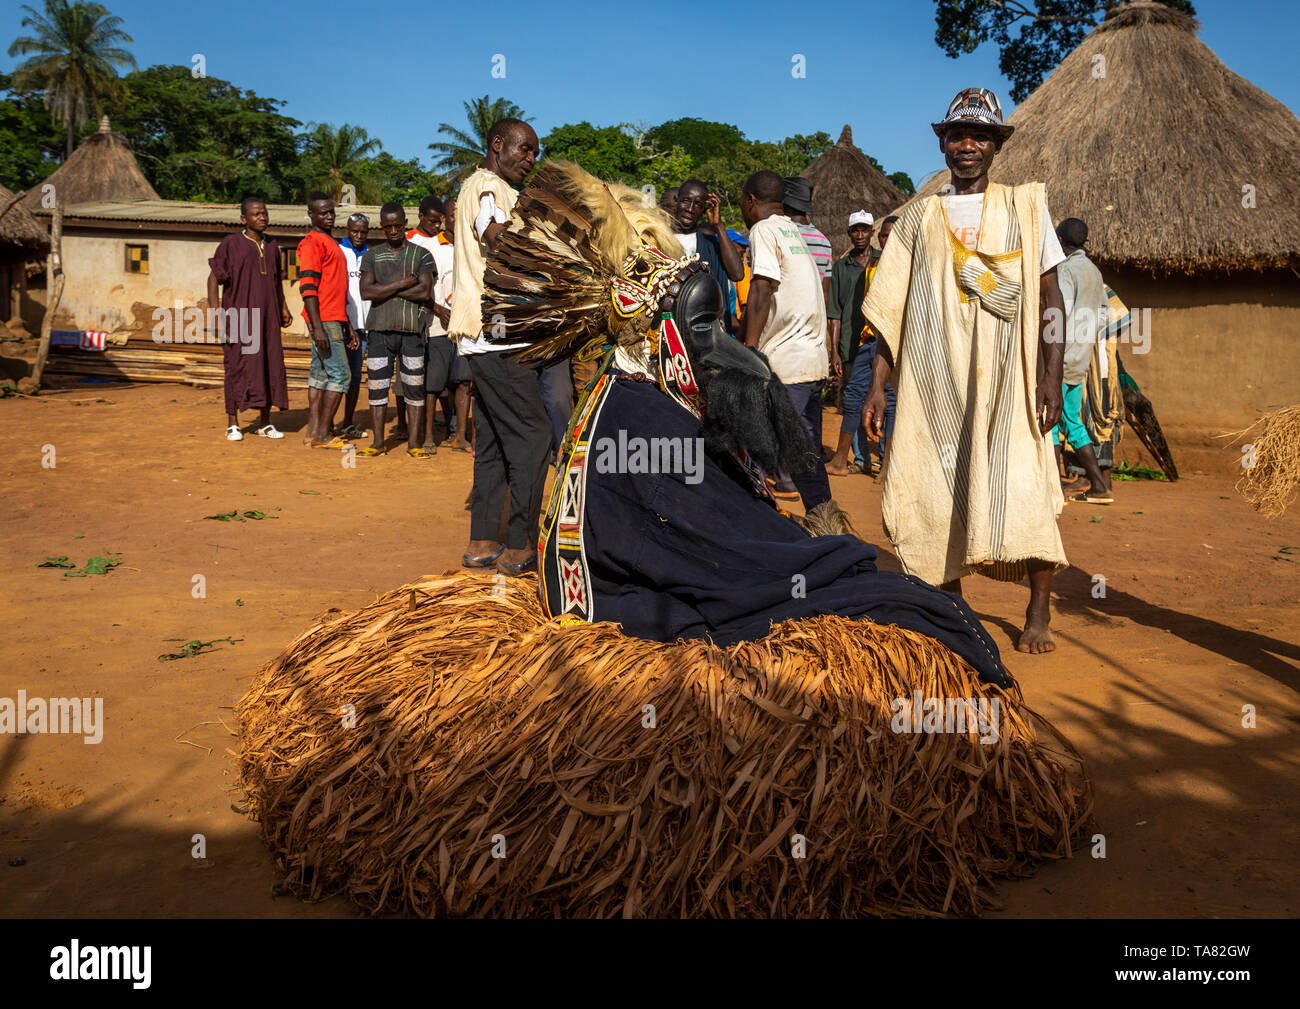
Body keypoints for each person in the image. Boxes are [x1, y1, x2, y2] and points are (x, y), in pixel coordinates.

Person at [478, 158, 1010, 685]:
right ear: (657, 326)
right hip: (626, 600)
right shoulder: (640, 416)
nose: (719, 343)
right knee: (870, 585)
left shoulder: (633, 392)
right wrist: (814, 554)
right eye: (703, 324)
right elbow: (719, 549)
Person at [862, 87, 1068, 654]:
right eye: (957, 135)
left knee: (1023, 486)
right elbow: (891, 312)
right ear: (943, 143)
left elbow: (1052, 298)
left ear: (997, 145)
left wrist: (1050, 377)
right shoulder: (915, 220)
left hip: (1009, 381)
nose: (967, 145)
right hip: (933, 384)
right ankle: (953, 609)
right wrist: (877, 387)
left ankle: (1038, 611)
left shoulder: (1025, 208)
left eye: (980, 135)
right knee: (934, 490)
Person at [451, 118, 551, 577]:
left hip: (486, 337)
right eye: (524, 149)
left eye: (535, 152)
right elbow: (495, 236)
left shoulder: (491, 186)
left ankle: (483, 541)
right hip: (501, 335)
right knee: (534, 436)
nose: (530, 159)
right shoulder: (486, 186)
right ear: (497, 145)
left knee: (492, 438)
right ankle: (520, 547)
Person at [737, 169, 832, 513]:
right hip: (812, 363)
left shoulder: (762, 230)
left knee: (754, 449)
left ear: (750, 202)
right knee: (805, 455)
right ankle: (826, 523)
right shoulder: (794, 231)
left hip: (787, 363)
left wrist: (746, 353)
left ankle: (754, 528)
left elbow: (761, 288)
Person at [206, 196, 292, 441]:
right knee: (236, 366)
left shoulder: (273, 245)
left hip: (268, 320)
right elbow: (213, 279)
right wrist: (216, 314)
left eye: (264, 213)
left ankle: (265, 423)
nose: (262, 217)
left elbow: (276, 282)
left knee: (269, 366)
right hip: (240, 318)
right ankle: (233, 423)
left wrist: (283, 308)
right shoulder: (231, 244)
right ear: (244, 219)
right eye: (256, 214)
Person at [358, 202, 435, 459]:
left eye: (397, 225)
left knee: (414, 389)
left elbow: (425, 291)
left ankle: (414, 444)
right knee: (377, 388)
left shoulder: (422, 254)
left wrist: (385, 290)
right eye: (387, 226)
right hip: (379, 330)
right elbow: (366, 292)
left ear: (405, 223)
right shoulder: (372, 255)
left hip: (412, 330)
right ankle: (378, 443)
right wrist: (403, 284)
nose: (393, 230)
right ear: (382, 226)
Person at [827, 213, 897, 476]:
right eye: (854, 230)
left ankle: (884, 463)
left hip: (886, 341)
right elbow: (837, 310)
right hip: (864, 341)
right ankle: (854, 459)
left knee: (886, 397)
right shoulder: (862, 268)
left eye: (864, 230)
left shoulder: (898, 265)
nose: (859, 235)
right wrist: (835, 350)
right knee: (856, 395)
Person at [1052, 217, 1113, 503]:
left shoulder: (1065, 269)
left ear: (1061, 242)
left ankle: (1050, 489)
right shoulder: (1093, 270)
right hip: (1081, 359)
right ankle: (1099, 487)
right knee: (1072, 421)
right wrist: (1084, 335)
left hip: (1061, 359)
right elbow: (1104, 314)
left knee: (1050, 421)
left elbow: (1057, 312)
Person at [413, 197, 472, 453]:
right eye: (454, 216)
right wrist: (437, 310)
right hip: (437, 326)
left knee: (463, 382)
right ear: (446, 219)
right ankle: (428, 437)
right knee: (433, 384)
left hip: (465, 328)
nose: (458, 220)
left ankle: (460, 436)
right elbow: (420, 287)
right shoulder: (430, 248)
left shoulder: (472, 248)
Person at [299, 192, 356, 449]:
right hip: (325, 319)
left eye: (331, 211)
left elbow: (336, 287)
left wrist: (348, 324)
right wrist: (318, 326)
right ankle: (323, 433)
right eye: (323, 212)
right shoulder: (312, 242)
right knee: (341, 376)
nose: (329, 216)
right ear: (311, 214)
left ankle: (313, 430)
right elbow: (308, 287)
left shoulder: (329, 241)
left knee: (320, 375)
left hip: (334, 318)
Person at [672, 179, 744, 290]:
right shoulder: (661, 238)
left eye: (698, 205)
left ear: (704, 210)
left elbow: (738, 274)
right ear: (676, 201)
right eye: (686, 201)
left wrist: (718, 225)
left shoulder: (711, 245)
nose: (690, 209)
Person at [337, 212, 371, 439]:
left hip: (364, 328)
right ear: (347, 230)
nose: (358, 235)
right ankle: (327, 424)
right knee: (338, 377)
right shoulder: (339, 252)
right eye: (354, 231)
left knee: (356, 378)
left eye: (363, 232)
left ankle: (348, 422)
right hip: (341, 324)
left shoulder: (371, 255)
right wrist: (345, 323)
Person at [782, 177, 833, 303]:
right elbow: (825, 293)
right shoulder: (824, 242)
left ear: (784, 202)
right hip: (814, 317)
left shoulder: (782, 234)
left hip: (786, 317)